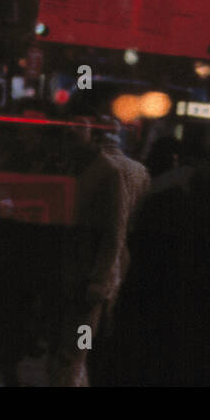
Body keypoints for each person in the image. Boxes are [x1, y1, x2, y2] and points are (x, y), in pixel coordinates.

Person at [49, 117, 150, 387]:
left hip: (91, 273)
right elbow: (129, 225)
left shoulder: (104, 172)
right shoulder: (137, 170)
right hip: (107, 271)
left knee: (73, 348)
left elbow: (112, 230)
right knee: (86, 346)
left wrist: (98, 277)